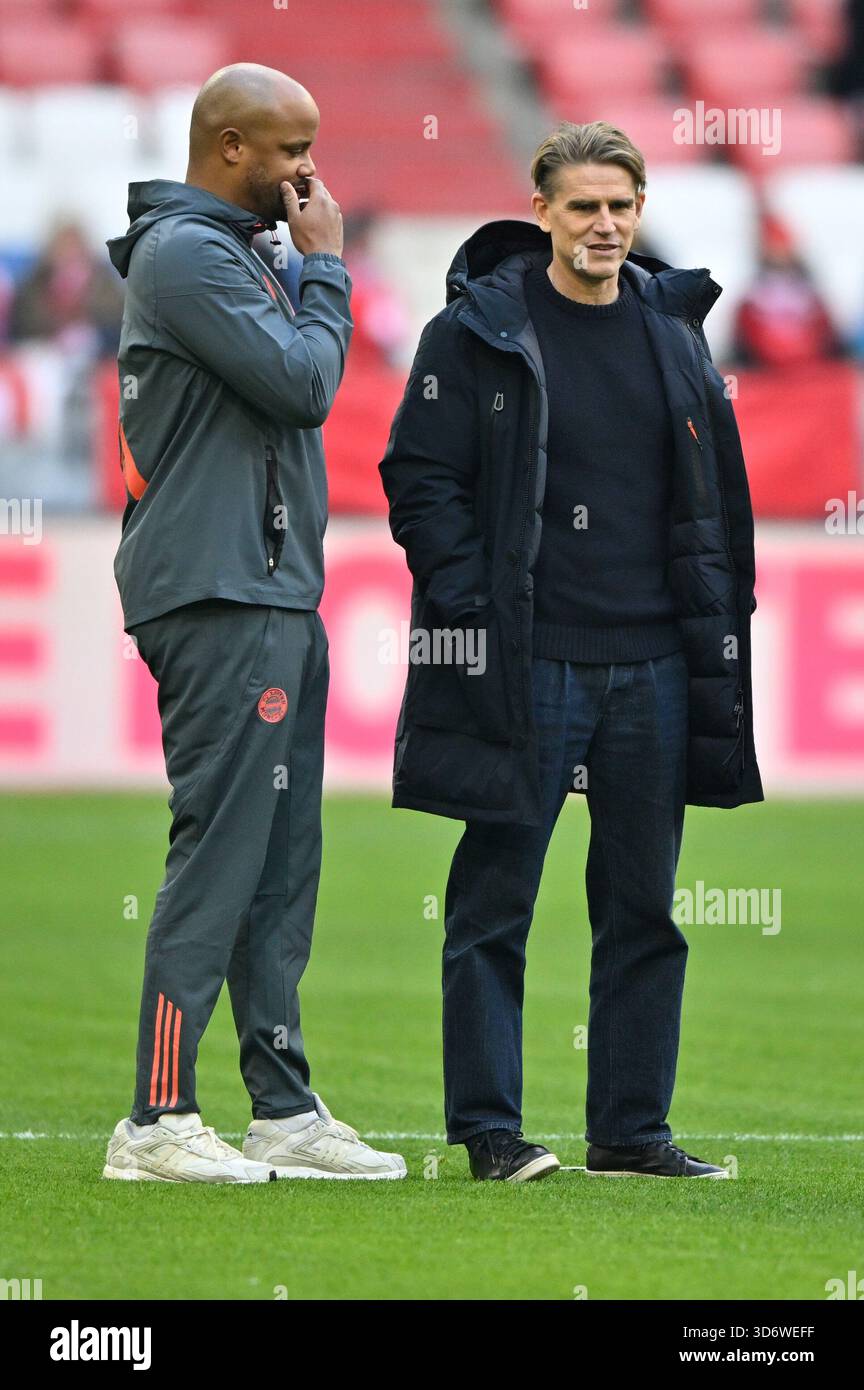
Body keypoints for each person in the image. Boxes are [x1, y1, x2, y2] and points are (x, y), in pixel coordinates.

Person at [379, 121, 762, 1183]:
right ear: (541, 209)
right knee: (496, 899)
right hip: (530, 660)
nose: (605, 225)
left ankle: (631, 1133)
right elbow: (419, 477)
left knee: (645, 906)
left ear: (640, 212)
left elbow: (715, 498)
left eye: (621, 207)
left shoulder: (675, 332)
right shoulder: (478, 332)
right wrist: (473, 602)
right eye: (585, 206)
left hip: (653, 668)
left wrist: (726, 618)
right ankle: (490, 1133)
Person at [103, 63, 406, 1183]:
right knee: (223, 847)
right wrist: (325, 270)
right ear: (231, 149)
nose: (307, 174)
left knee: (280, 860)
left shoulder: (234, 254)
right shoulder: (189, 256)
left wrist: (306, 268)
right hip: (220, 589)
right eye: (290, 151)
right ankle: (157, 1118)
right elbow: (302, 383)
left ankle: (280, 1106)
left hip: (271, 585)